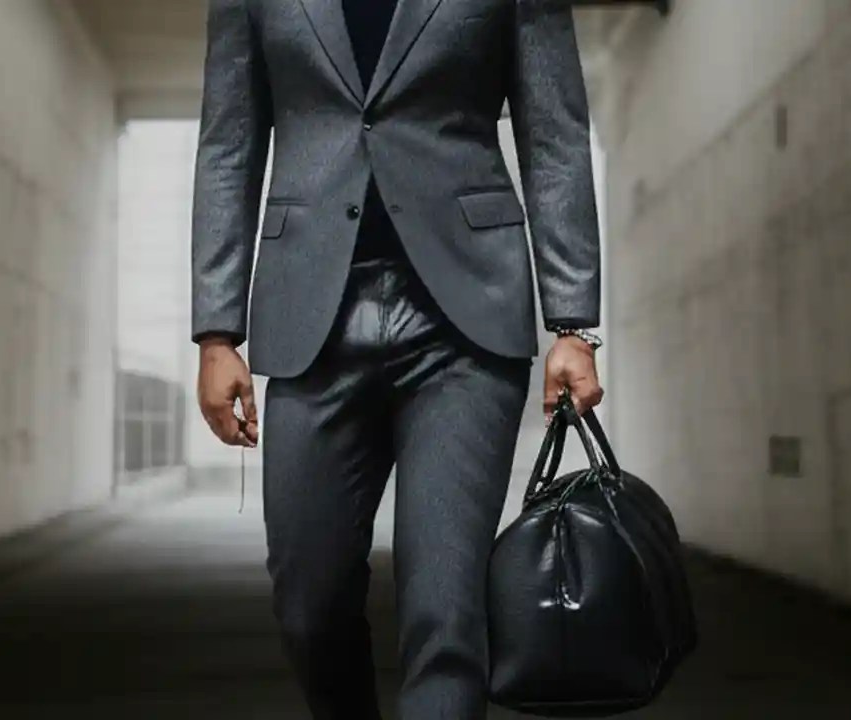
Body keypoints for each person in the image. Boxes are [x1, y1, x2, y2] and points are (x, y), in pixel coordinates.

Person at [191, 0, 603, 717]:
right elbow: (228, 143)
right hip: (310, 318)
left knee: (445, 620)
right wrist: (216, 331)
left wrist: (572, 321)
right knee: (307, 608)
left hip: (463, 324)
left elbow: (554, 130)